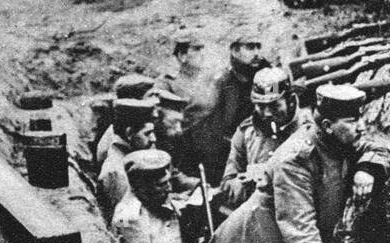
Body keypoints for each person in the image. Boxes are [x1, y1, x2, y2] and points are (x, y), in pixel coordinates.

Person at [212, 84, 390, 243]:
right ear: (327, 125)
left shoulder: (336, 140)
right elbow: (299, 227)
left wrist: (367, 169)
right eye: (353, 122)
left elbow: (378, 148)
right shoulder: (295, 160)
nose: (361, 127)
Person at [180, 34, 270, 185]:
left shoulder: (266, 74)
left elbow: (274, 95)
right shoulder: (221, 83)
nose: (256, 53)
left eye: (258, 47)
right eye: (249, 47)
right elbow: (201, 120)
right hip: (229, 153)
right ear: (234, 51)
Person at [218, 66, 309, 211]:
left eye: (274, 106)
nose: (266, 113)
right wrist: (238, 185)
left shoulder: (309, 129)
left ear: (290, 100)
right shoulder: (246, 132)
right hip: (261, 216)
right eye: (260, 106)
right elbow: (229, 180)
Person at [98, 98, 158, 208]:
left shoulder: (127, 157)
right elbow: (124, 219)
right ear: (129, 133)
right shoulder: (117, 172)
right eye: (147, 133)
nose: (153, 139)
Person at [95, 74, 158, 168]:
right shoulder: (117, 140)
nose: (156, 101)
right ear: (133, 100)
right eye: (150, 96)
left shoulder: (137, 124)